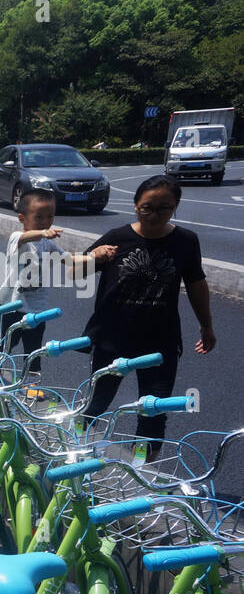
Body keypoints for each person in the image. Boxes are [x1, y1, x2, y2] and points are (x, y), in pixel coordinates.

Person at [79, 175, 216, 460]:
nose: (154, 215)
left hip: (159, 339)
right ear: (135, 206)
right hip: (111, 338)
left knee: (153, 411)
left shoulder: (186, 241)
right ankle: (77, 454)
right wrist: (96, 258)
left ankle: (142, 468)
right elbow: (73, 271)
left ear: (175, 207)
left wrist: (206, 326)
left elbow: (195, 284)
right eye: (146, 208)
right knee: (96, 402)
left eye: (163, 208)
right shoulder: (117, 237)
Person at [0, 188, 115, 375]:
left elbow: (68, 259)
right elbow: (26, 236)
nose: (45, 222)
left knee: (34, 348)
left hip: (38, 308)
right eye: (39, 217)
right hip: (13, 306)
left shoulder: (47, 244)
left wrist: (94, 255)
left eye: (50, 216)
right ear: (22, 218)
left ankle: (32, 382)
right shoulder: (17, 239)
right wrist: (42, 233)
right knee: (6, 343)